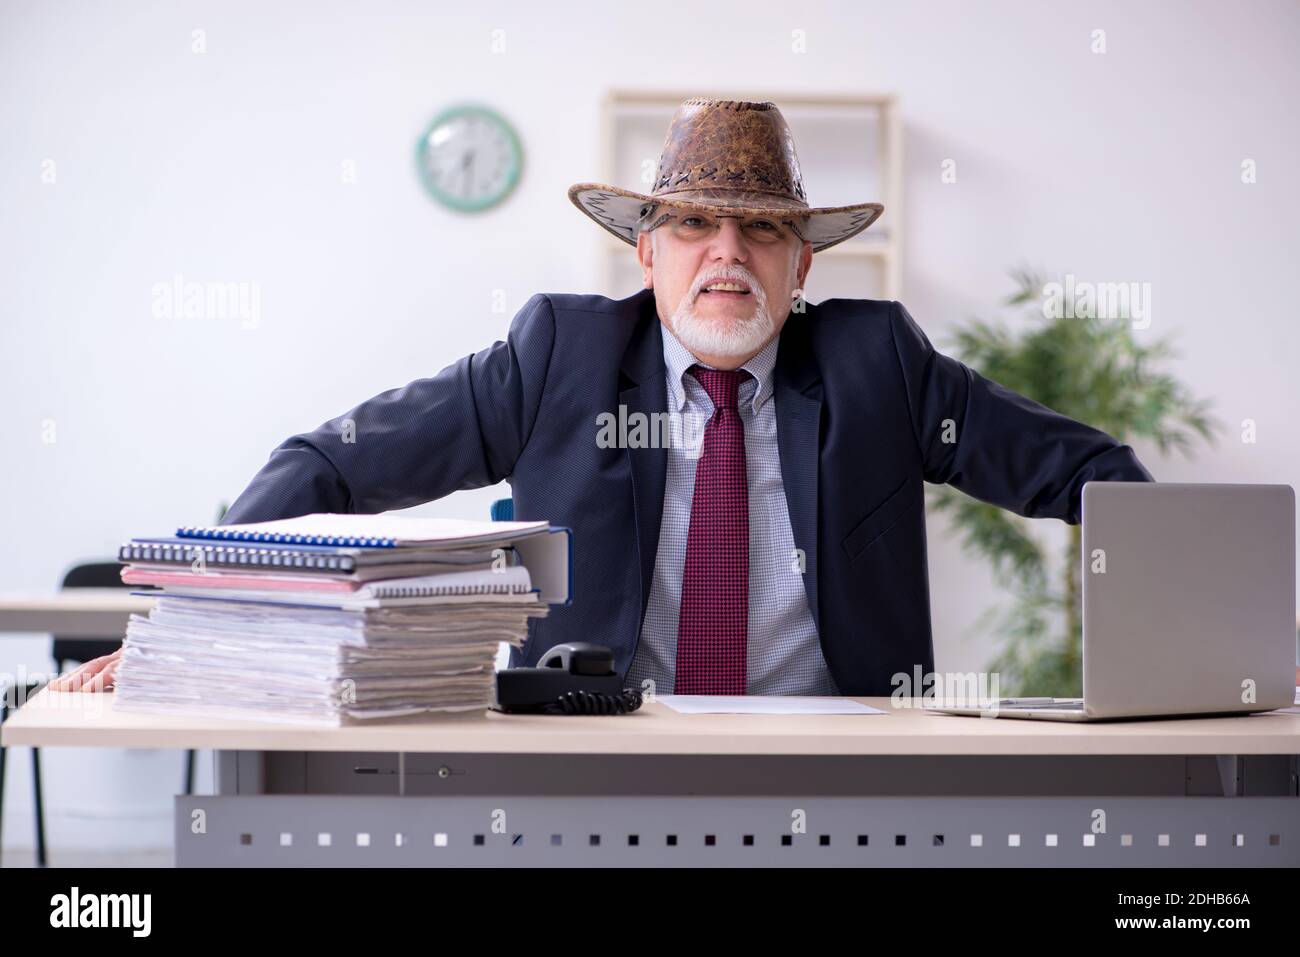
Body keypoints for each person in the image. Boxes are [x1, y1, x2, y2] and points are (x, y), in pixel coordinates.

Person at [54, 97, 1158, 698]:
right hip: (595, 749)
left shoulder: (880, 366)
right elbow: (329, 463)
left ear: (803, 266)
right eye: (691, 225)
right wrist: (192, 629)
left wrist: (1197, 640)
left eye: (763, 230)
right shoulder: (557, 358)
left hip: (838, 758)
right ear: (646, 254)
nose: (727, 254)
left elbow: (1088, 473)